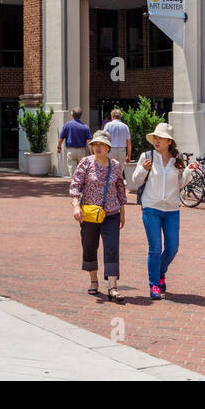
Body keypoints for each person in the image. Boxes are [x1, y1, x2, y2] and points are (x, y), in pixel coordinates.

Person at [128, 122, 196, 300]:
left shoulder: (177, 159)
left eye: (160, 138)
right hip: (151, 208)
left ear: (169, 141)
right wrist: (144, 169)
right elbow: (135, 180)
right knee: (155, 248)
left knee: (173, 248)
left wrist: (188, 171)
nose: (156, 140)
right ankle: (154, 285)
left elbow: (179, 184)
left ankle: (160, 271)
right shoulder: (147, 156)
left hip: (172, 209)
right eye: (155, 138)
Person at [68, 130, 127, 303]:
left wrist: (122, 213)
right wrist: (76, 206)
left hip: (111, 214)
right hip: (89, 215)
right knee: (89, 246)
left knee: (111, 248)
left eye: (102, 144)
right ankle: (93, 281)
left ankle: (113, 287)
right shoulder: (85, 163)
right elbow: (75, 185)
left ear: (108, 147)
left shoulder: (115, 165)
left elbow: (120, 190)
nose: (98, 147)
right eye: (95, 144)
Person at [57, 109, 92, 178]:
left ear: (72, 115)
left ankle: (74, 185)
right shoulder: (85, 127)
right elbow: (89, 141)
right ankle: (81, 185)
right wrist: (92, 153)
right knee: (82, 170)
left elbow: (61, 138)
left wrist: (59, 147)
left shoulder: (67, 125)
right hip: (81, 150)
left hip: (71, 150)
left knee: (73, 171)